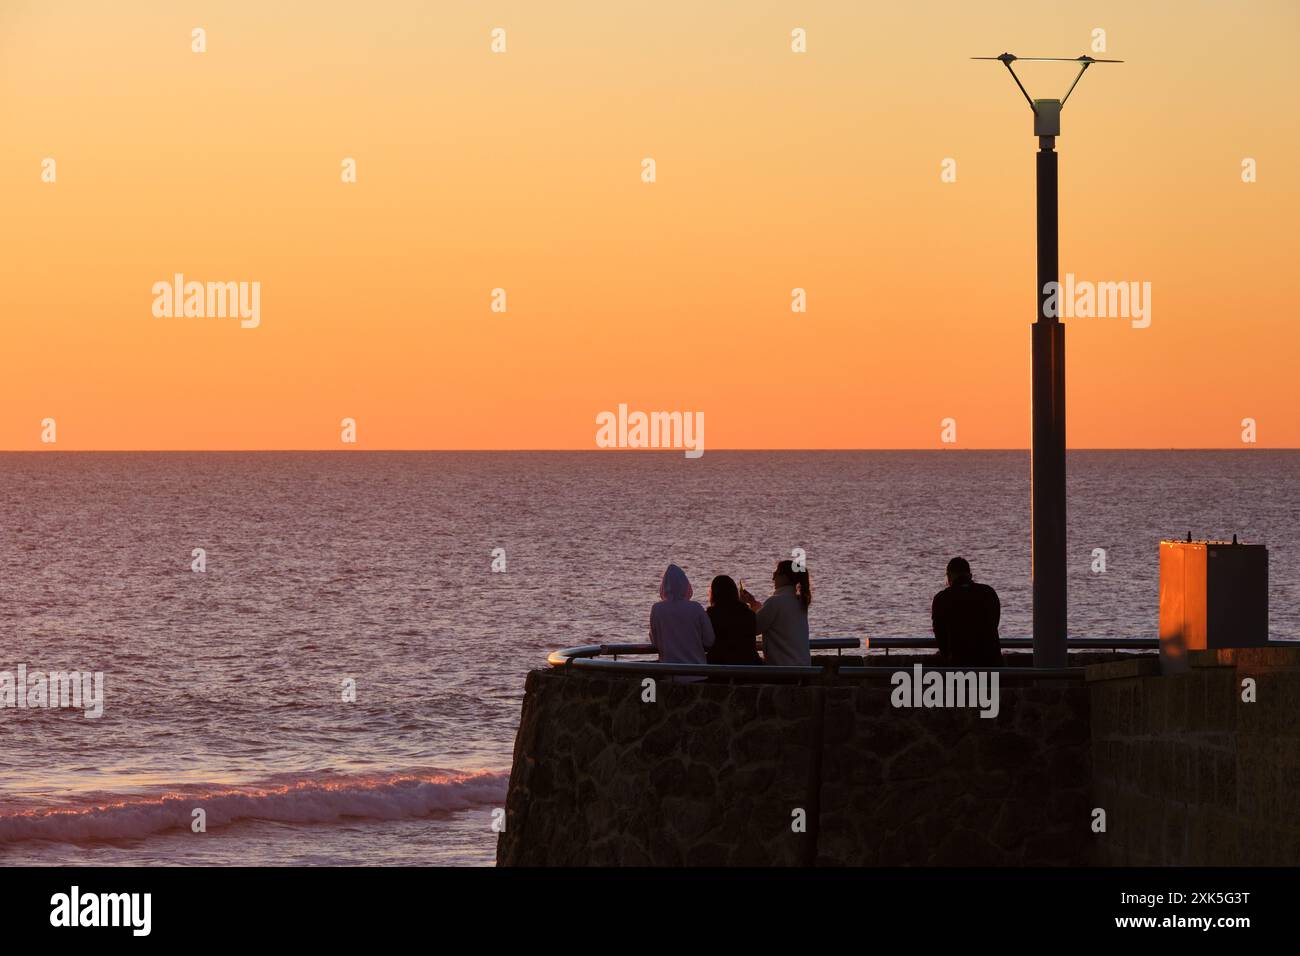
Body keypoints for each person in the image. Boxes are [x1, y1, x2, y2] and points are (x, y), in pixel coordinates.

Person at [931, 556, 1002, 666]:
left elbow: (940, 634)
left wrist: (948, 656)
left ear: (949, 577)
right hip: (990, 662)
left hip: (960, 663)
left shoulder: (942, 598)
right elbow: (994, 623)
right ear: (970, 575)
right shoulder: (988, 593)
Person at [739, 559, 811, 666]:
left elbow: (752, 628)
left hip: (784, 670)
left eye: (776, 573)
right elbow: (766, 618)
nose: (773, 576)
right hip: (803, 667)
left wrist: (742, 605)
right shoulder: (799, 602)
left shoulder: (775, 602)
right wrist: (753, 603)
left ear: (785, 577)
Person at [649, 564, 715, 680]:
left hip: (670, 676)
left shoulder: (657, 609)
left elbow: (655, 642)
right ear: (685, 585)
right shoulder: (696, 608)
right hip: (698, 674)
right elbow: (709, 641)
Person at [705, 575, 761, 666]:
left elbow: (707, 643)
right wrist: (750, 603)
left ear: (714, 594)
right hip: (748, 666)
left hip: (719, 668)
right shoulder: (748, 614)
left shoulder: (711, 615)